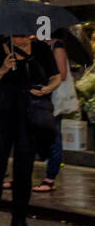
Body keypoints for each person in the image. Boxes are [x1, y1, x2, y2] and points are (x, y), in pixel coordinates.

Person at [0, 34, 61, 226]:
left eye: (24, 36)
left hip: (29, 114)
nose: (20, 40)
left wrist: (47, 89)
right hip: (0, 113)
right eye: (16, 36)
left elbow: (56, 77)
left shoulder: (41, 50)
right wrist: (3, 69)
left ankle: (19, 219)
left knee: (24, 168)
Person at [34, 37, 70, 194]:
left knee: (54, 136)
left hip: (52, 97)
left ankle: (50, 179)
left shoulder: (57, 45)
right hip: (39, 97)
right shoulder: (36, 44)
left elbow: (61, 74)